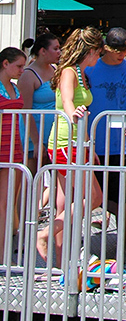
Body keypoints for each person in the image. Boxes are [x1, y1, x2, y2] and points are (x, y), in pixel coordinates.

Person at [37, 26, 104, 264]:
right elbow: (66, 100)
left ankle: (60, 259)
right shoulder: (69, 72)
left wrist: (90, 147)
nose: (100, 57)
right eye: (98, 52)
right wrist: (71, 112)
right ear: (90, 50)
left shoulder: (80, 72)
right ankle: (45, 235)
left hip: (77, 142)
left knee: (65, 201)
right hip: (67, 142)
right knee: (93, 197)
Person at [88, 27, 126, 238]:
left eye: (125, 49)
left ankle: (122, 241)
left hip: (120, 145)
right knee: (89, 194)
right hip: (93, 142)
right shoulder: (90, 69)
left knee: (121, 195)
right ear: (106, 48)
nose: (122, 53)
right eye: (117, 50)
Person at [17, 33, 60, 174]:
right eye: (55, 48)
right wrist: (36, 142)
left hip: (53, 136)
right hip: (33, 139)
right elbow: (25, 111)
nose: (59, 52)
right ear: (43, 51)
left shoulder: (55, 70)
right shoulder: (28, 75)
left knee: (52, 181)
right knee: (30, 180)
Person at [0, 47, 26, 263]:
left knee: (7, 206)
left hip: (13, 150)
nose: (21, 70)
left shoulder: (15, 88)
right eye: (18, 66)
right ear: (5, 64)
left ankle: (2, 257)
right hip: (2, 148)